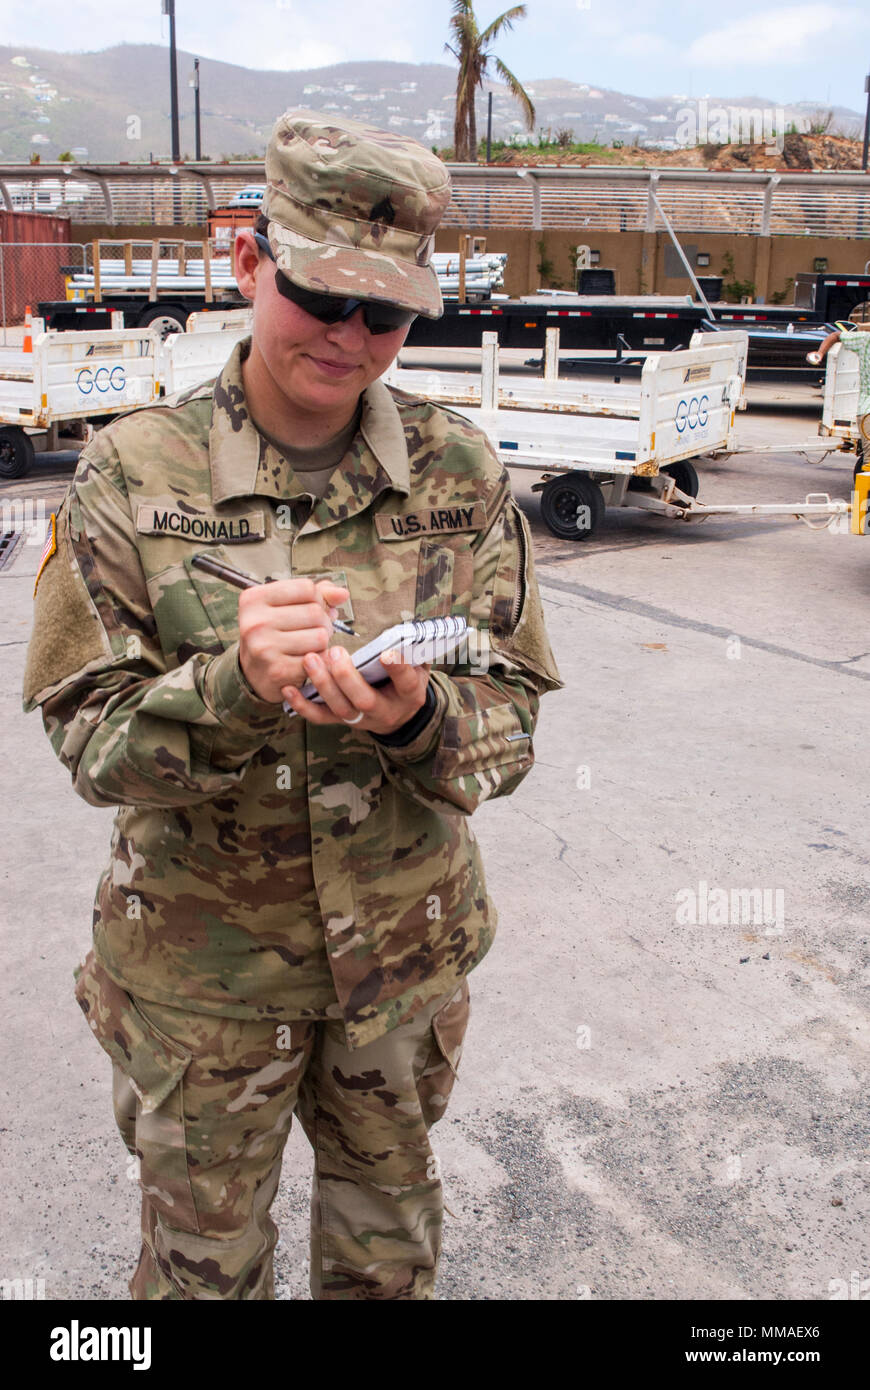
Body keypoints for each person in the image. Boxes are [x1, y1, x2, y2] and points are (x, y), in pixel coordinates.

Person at [22, 109, 563, 1301]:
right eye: (321, 296)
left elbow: (515, 716)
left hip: (401, 963)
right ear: (247, 261)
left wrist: (415, 719)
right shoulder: (131, 472)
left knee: (387, 1256)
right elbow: (88, 738)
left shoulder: (461, 471)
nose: (350, 336)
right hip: (204, 987)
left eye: (387, 313)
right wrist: (229, 687)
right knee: (201, 1273)